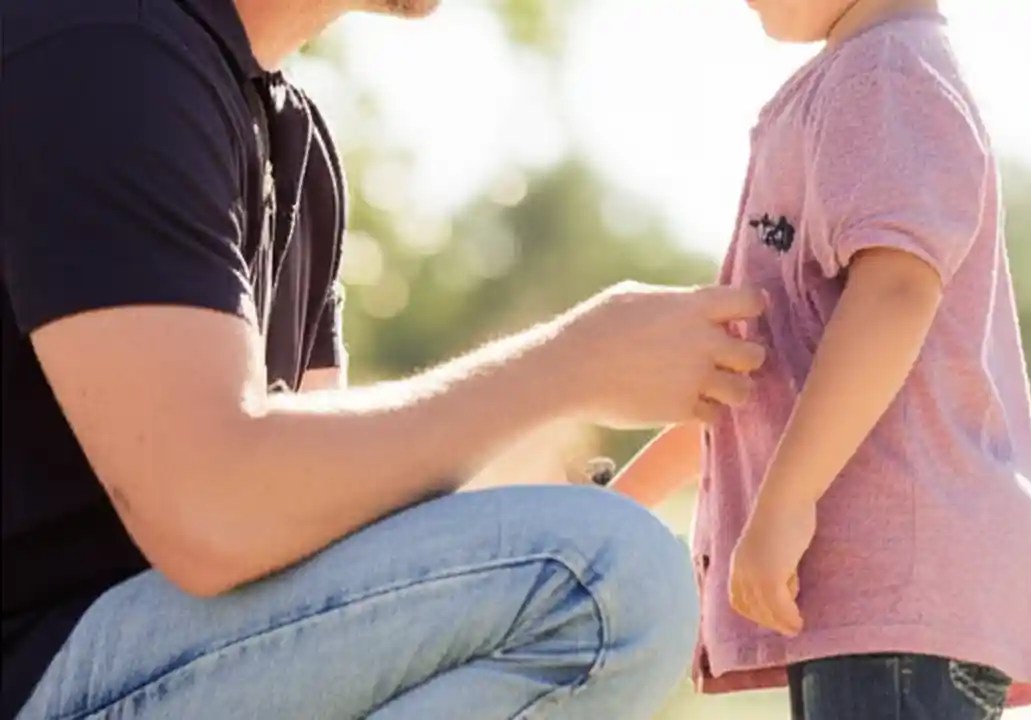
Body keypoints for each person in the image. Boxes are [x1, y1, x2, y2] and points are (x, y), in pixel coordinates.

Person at [0, 0, 771, 717]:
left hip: (142, 658)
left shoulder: (291, 138)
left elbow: (320, 523)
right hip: (39, 670)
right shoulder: (105, 51)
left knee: (599, 552)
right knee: (604, 579)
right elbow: (213, 512)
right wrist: (569, 365)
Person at [609, 0, 1031, 717]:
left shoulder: (885, 75)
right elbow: (759, 382)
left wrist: (783, 502)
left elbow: (894, 292)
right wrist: (618, 510)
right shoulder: (861, 78)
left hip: (896, 590)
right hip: (884, 608)